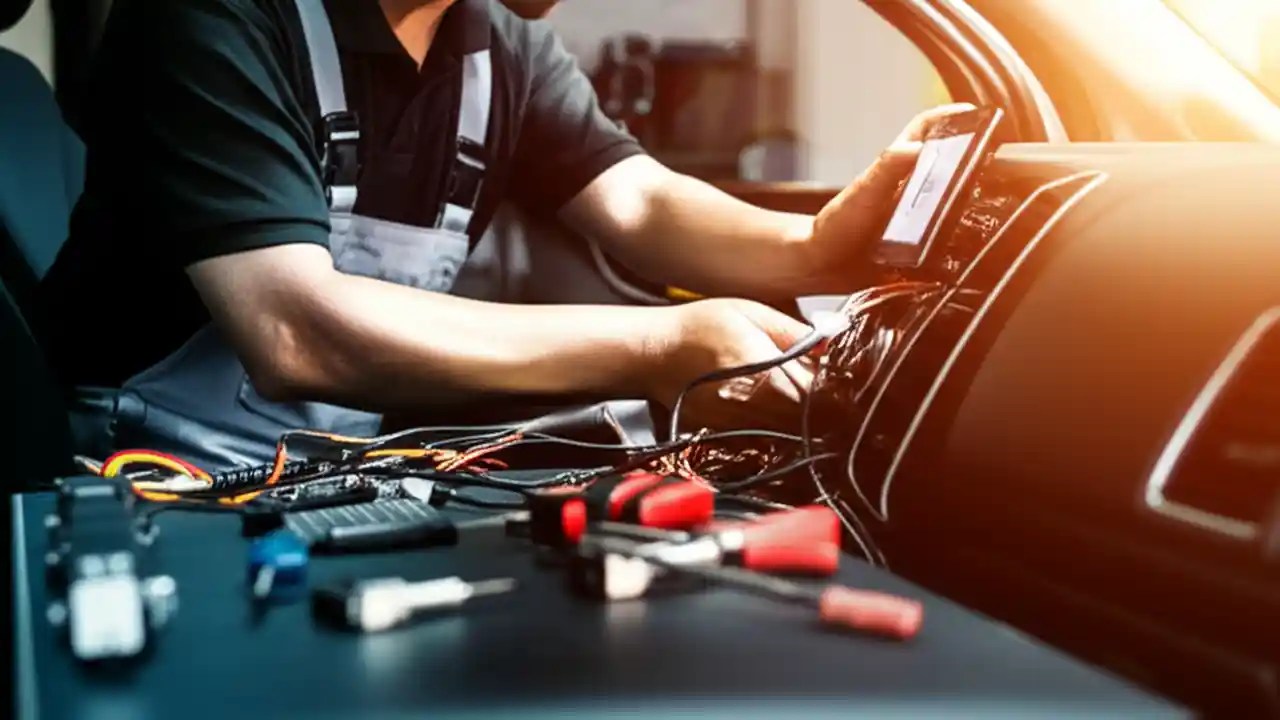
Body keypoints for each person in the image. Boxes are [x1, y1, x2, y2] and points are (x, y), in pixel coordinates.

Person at [36, 0, 971, 470]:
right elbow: (293, 329)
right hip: (135, 478)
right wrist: (665, 344)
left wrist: (818, 243)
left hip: (325, 478)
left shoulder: (500, 52)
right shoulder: (215, 21)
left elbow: (639, 206)